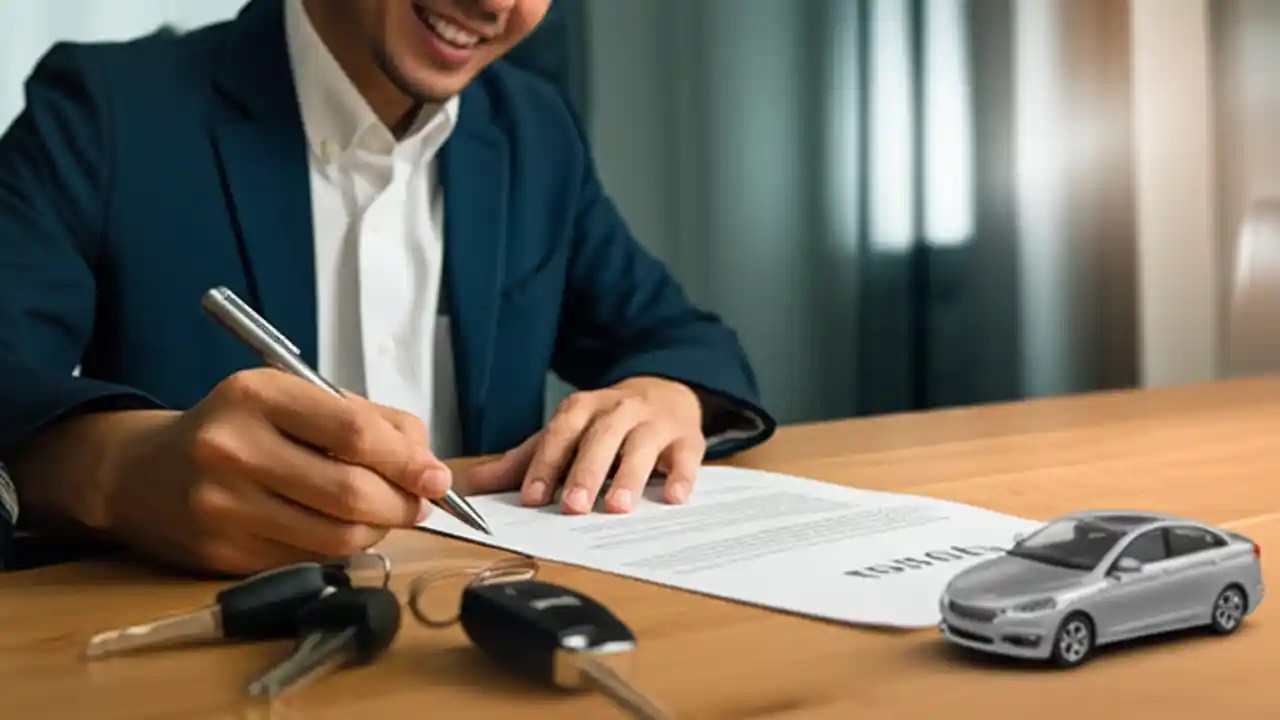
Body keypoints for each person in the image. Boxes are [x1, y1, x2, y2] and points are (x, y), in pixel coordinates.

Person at [0, 0, 773, 575]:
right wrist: (113, 474)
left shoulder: (533, 132)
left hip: (475, 625)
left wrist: (665, 393)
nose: (496, 6)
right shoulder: (106, 111)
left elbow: (682, 337)